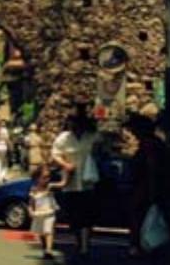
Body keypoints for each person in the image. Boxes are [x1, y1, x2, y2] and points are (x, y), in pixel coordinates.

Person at [51, 104, 101, 257]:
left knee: (87, 215)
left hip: (88, 182)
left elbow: (104, 149)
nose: (74, 125)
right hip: (70, 183)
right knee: (73, 216)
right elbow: (55, 154)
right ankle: (79, 241)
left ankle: (85, 246)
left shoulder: (92, 136)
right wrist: (65, 164)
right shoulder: (64, 138)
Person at [125, 106, 165, 258]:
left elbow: (152, 168)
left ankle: (141, 247)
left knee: (140, 218)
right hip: (144, 188)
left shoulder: (149, 145)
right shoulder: (152, 143)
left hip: (145, 189)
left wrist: (153, 192)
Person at [29, 163, 68, 260]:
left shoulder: (50, 186)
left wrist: (65, 173)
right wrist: (30, 211)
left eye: (48, 177)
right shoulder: (34, 189)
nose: (47, 179)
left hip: (50, 212)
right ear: (37, 178)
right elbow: (31, 202)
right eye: (44, 177)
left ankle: (49, 251)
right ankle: (45, 249)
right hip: (39, 213)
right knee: (42, 233)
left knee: (49, 231)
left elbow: (63, 183)